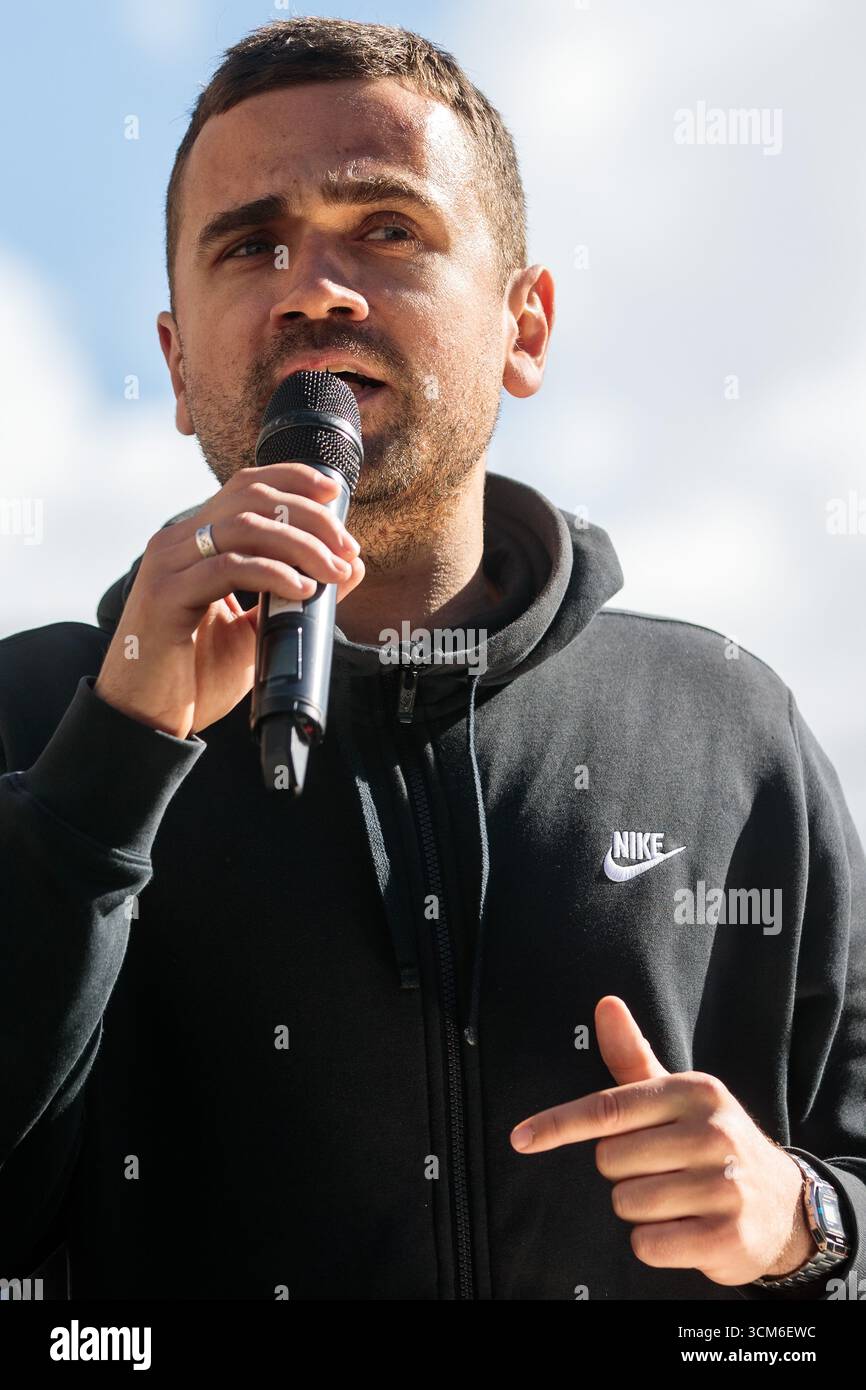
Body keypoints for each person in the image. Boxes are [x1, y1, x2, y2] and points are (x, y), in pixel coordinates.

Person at [0, 16, 863, 1302]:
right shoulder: (34, 716)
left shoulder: (724, 725)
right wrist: (108, 769)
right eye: (251, 243)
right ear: (177, 364)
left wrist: (805, 1222)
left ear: (525, 326)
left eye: (388, 230)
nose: (313, 287)